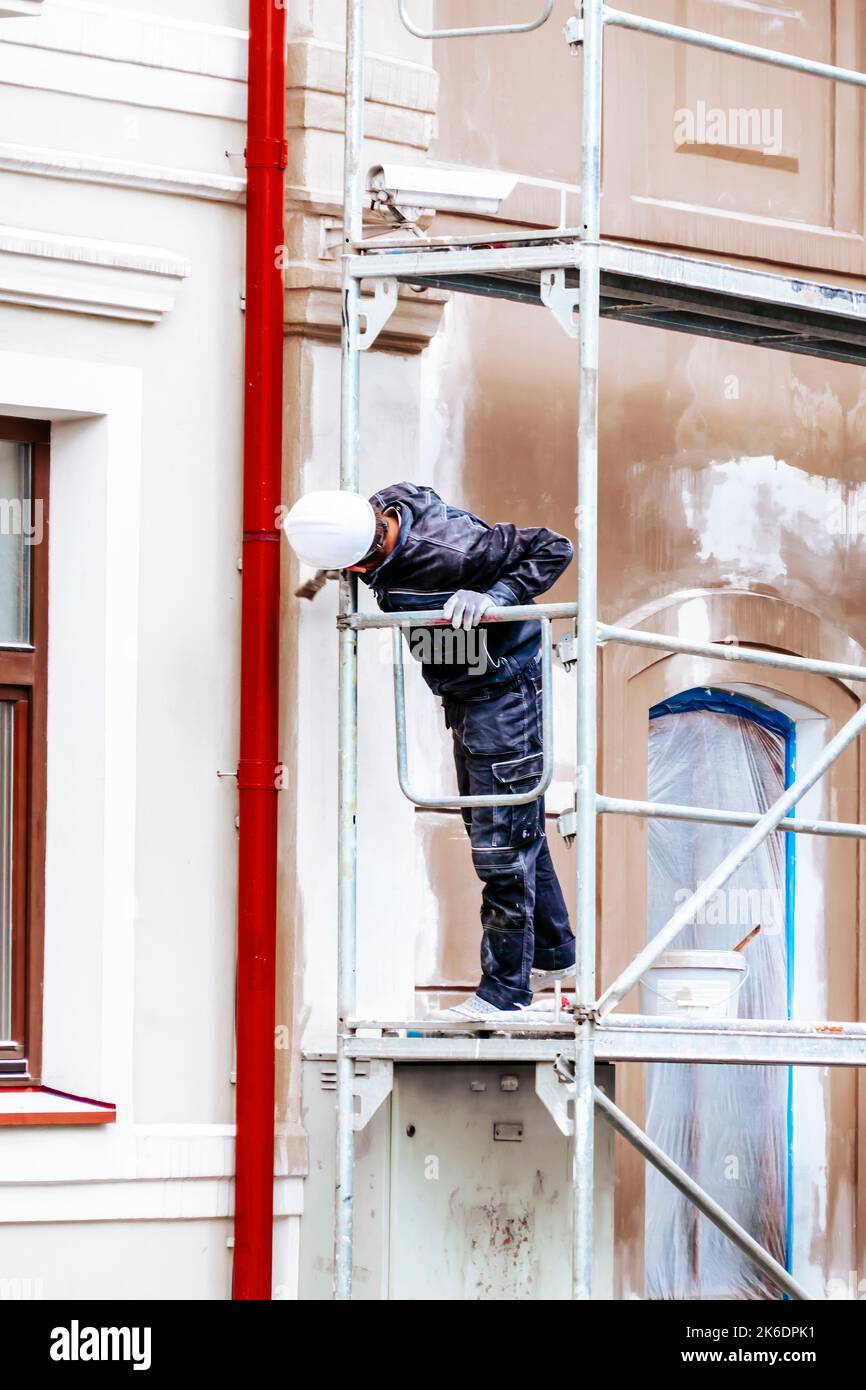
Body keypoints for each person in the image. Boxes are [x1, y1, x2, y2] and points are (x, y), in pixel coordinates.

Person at [284, 482, 576, 1019]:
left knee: (499, 847)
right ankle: (556, 956)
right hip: (468, 690)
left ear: (375, 549)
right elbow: (339, 553)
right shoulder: (369, 523)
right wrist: (314, 582)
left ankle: (504, 995)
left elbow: (553, 546)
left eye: (353, 570)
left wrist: (496, 598)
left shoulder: (452, 549)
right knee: (512, 827)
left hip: (505, 694)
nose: (353, 578)